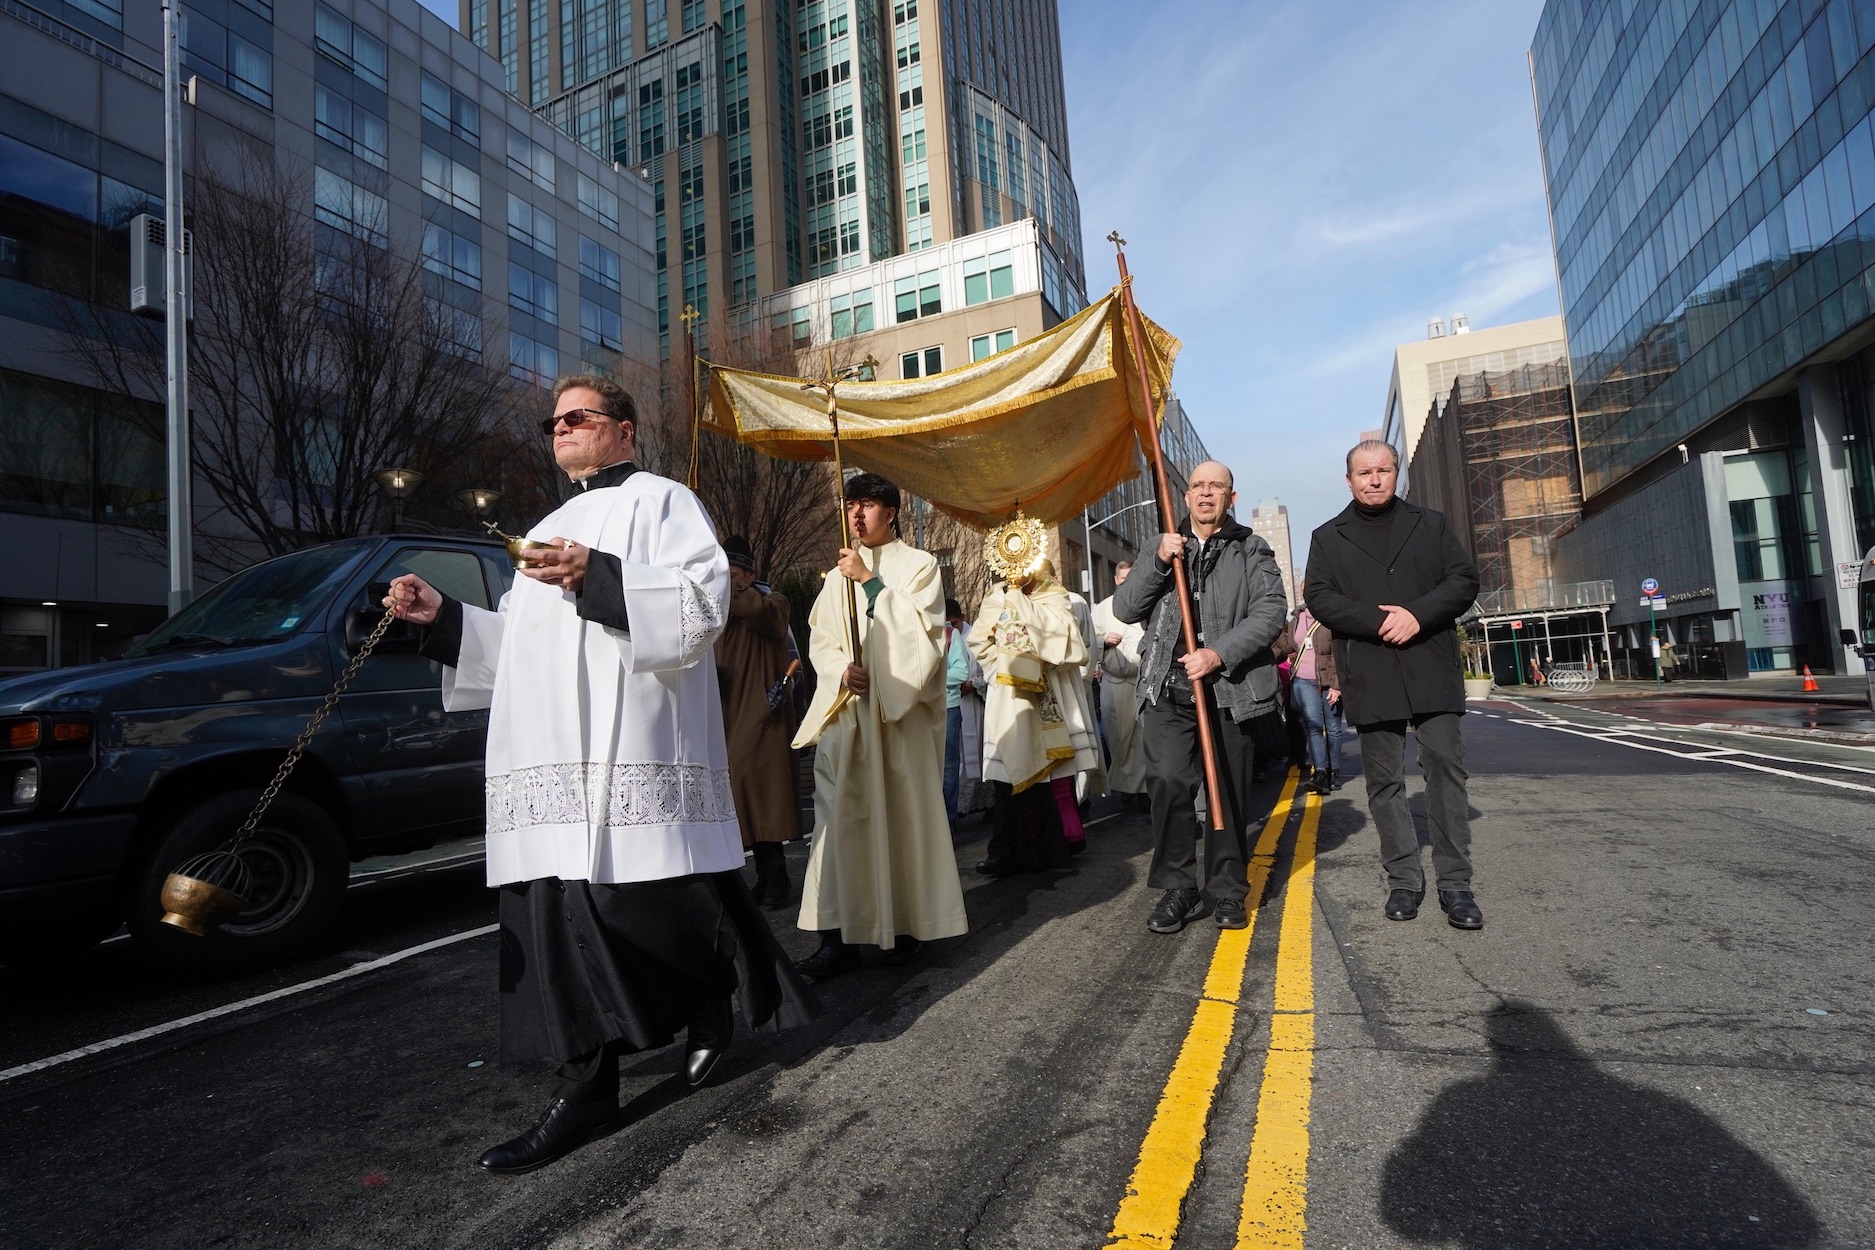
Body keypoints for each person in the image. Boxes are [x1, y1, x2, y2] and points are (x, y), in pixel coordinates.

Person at [386, 374, 815, 1175]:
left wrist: (602, 577)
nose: (560, 430)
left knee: (636, 904)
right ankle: (586, 1087)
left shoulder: (663, 501)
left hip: (631, 740)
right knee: (551, 915)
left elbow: (700, 604)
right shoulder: (543, 528)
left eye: (577, 417)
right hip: (545, 752)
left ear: (623, 430)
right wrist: (441, 617)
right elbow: (513, 645)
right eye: (552, 423)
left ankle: (707, 997)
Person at [791, 473, 969, 979]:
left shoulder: (919, 565)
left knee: (900, 819)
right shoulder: (832, 577)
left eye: (867, 505)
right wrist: (837, 669)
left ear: (891, 512)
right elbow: (821, 640)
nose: (856, 515)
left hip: (897, 720)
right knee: (837, 826)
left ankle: (905, 925)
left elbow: (924, 637)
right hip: (850, 715)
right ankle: (837, 938)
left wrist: (870, 580)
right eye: (851, 506)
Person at [1303, 439, 1483, 931]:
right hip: (1371, 666)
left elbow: (1464, 580)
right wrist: (1379, 619)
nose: (1374, 479)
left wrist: (1418, 615)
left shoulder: (1432, 524)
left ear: (1396, 473)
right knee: (1385, 780)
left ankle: (1455, 883)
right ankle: (1404, 878)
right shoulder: (1327, 537)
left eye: (1383, 470)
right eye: (1364, 473)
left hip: (1430, 662)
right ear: (1349, 480)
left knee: (1446, 766)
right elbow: (1319, 596)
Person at [1113, 461, 1288, 935]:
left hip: (1229, 690)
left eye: (1217, 486)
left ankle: (1227, 888)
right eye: (1198, 486)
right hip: (1167, 689)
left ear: (1230, 497)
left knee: (1225, 792)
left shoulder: (1251, 547)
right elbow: (1125, 608)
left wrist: (1218, 654)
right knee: (1168, 783)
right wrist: (1155, 562)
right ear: (1185, 496)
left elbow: (1272, 611)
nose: (1206, 494)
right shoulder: (1161, 545)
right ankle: (1178, 885)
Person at [969, 559, 1102, 873]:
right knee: (1007, 778)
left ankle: (1053, 849)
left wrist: (1019, 608)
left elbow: (1066, 641)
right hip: (1009, 694)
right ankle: (1004, 851)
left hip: (1049, 695)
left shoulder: (1054, 595)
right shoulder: (994, 596)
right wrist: (1002, 663)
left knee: (1049, 777)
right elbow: (979, 640)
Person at [715, 534, 800, 909]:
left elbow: (760, 616)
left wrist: (726, 584)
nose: (723, 581)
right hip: (729, 712)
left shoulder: (772, 602)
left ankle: (776, 877)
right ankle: (767, 877)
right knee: (743, 801)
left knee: (760, 796)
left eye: (732, 573)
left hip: (761, 713)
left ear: (748, 576)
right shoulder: (719, 610)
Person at [1092, 562, 1148, 802]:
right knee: (1117, 738)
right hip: (1113, 684)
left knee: (1142, 739)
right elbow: (1088, 639)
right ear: (1116, 580)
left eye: (1130, 578)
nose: (1125, 583)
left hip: (1139, 681)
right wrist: (1103, 641)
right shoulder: (1102, 608)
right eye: (1122, 579)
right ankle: (1125, 788)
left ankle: (1145, 790)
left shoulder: (1145, 605)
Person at [1276, 600, 1344, 795]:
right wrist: (1275, 630)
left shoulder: (1332, 616)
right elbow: (1287, 647)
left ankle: (1335, 771)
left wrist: (1337, 686)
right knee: (1313, 727)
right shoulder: (1296, 619)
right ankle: (1321, 772)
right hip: (1303, 680)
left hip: (1329, 682)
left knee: (1333, 729)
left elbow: (1341, 654)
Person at [941, 598, 972, 824]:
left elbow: (962, 672)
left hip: (948, 707)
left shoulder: (951, 634)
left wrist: (932, 681)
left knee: (949, 770)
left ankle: (948, 823)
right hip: (919, 709)